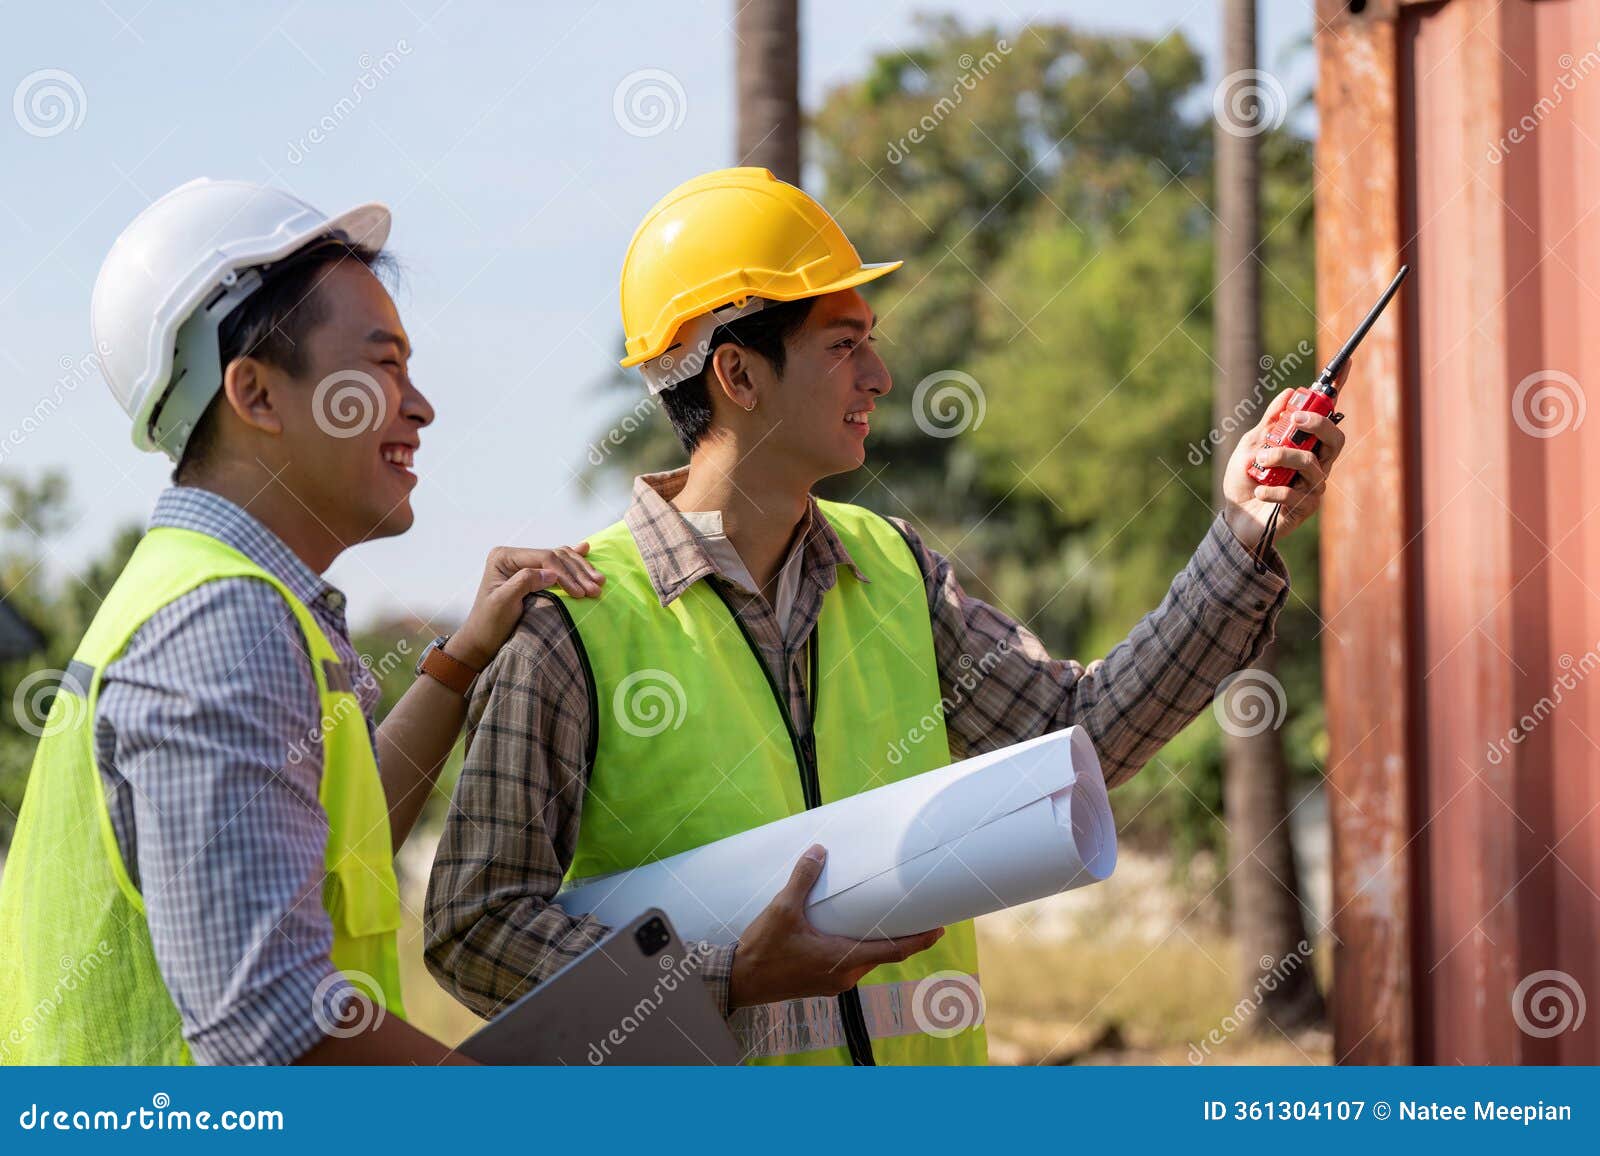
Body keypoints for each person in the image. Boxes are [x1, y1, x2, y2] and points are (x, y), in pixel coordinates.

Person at [424, 167, 1346, 1065]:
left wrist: (1242, 534)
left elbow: (1082, 740)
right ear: (738, 375)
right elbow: (475, 925)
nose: (880, 374)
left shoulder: (895, 569)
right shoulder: (572, 624)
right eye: (842, 344)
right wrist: (723, 977)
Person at [0, 179, 603, 1065]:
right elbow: (274, 1025)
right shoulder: (218, 623)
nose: (422, 404)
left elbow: (333, 858)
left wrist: (457, 664)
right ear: (256, 394)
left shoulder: (222, 597)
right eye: (384, 364)